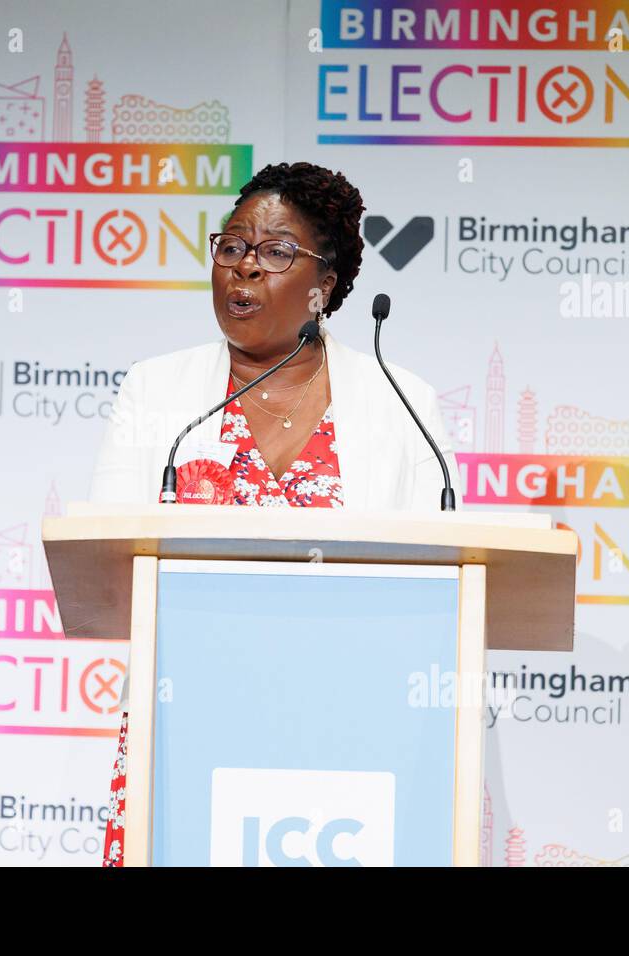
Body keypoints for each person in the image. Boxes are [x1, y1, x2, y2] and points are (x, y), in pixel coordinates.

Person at [88, 161, 461, 865]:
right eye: (231, 246)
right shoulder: (158, 391)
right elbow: (106, 559)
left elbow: (438, 584)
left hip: (357, 729)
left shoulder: (401, 401)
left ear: (324, 286)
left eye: (274, 252)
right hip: (186, 723)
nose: (244, 270)